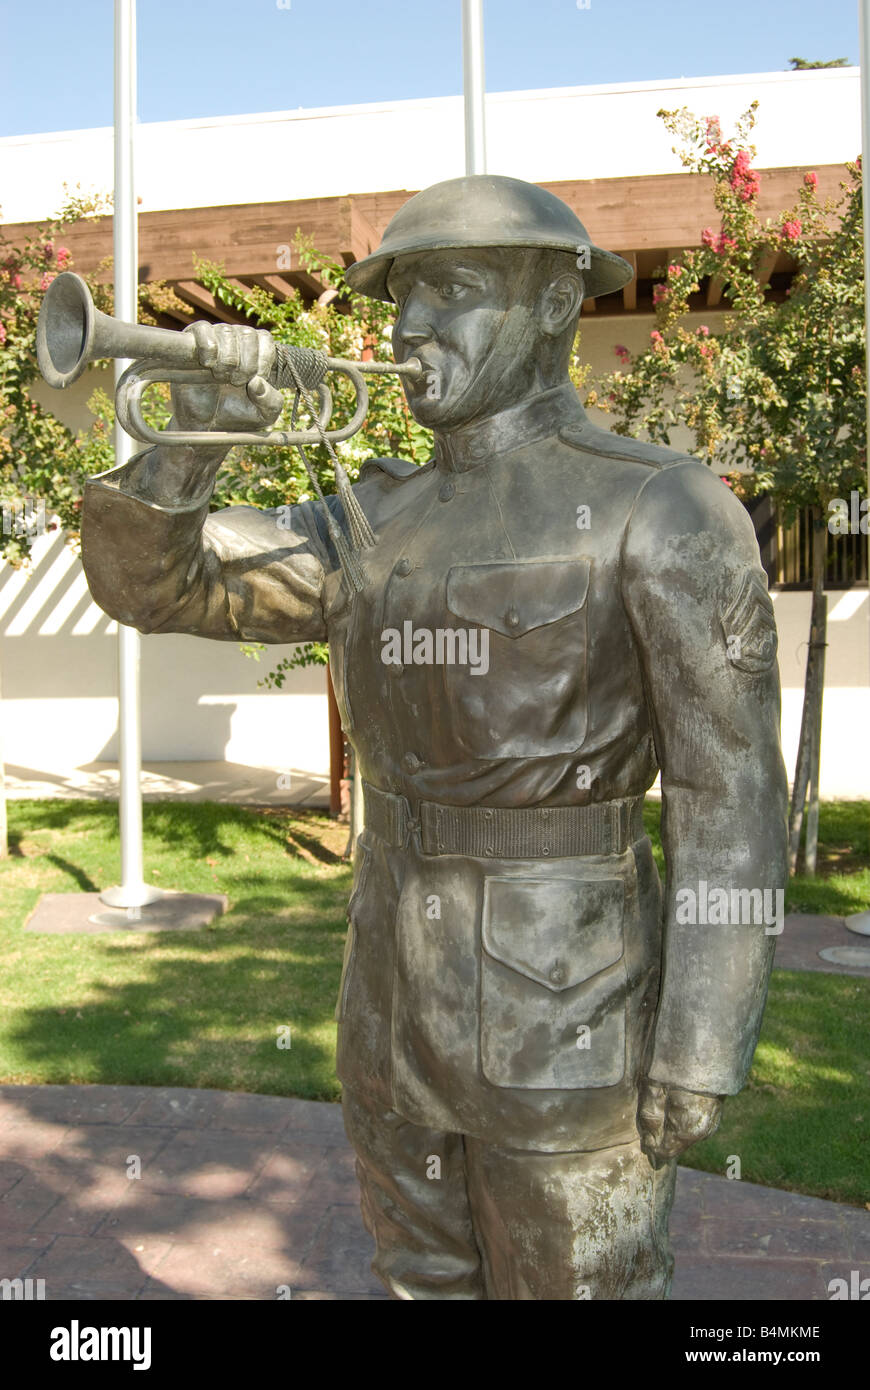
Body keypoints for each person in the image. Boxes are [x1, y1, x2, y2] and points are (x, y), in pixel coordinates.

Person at [81, 175, 788, 1300]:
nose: (411, 329)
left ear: (555, 303)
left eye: (452, 291)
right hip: (391, 1004)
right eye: (403, 297)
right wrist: (202, 433)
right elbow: (147, 584)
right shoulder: (372, 516)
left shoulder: (660, 503)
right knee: (416, 1280)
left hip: (574, 1012)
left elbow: (731, 798)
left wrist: (701, 1038)